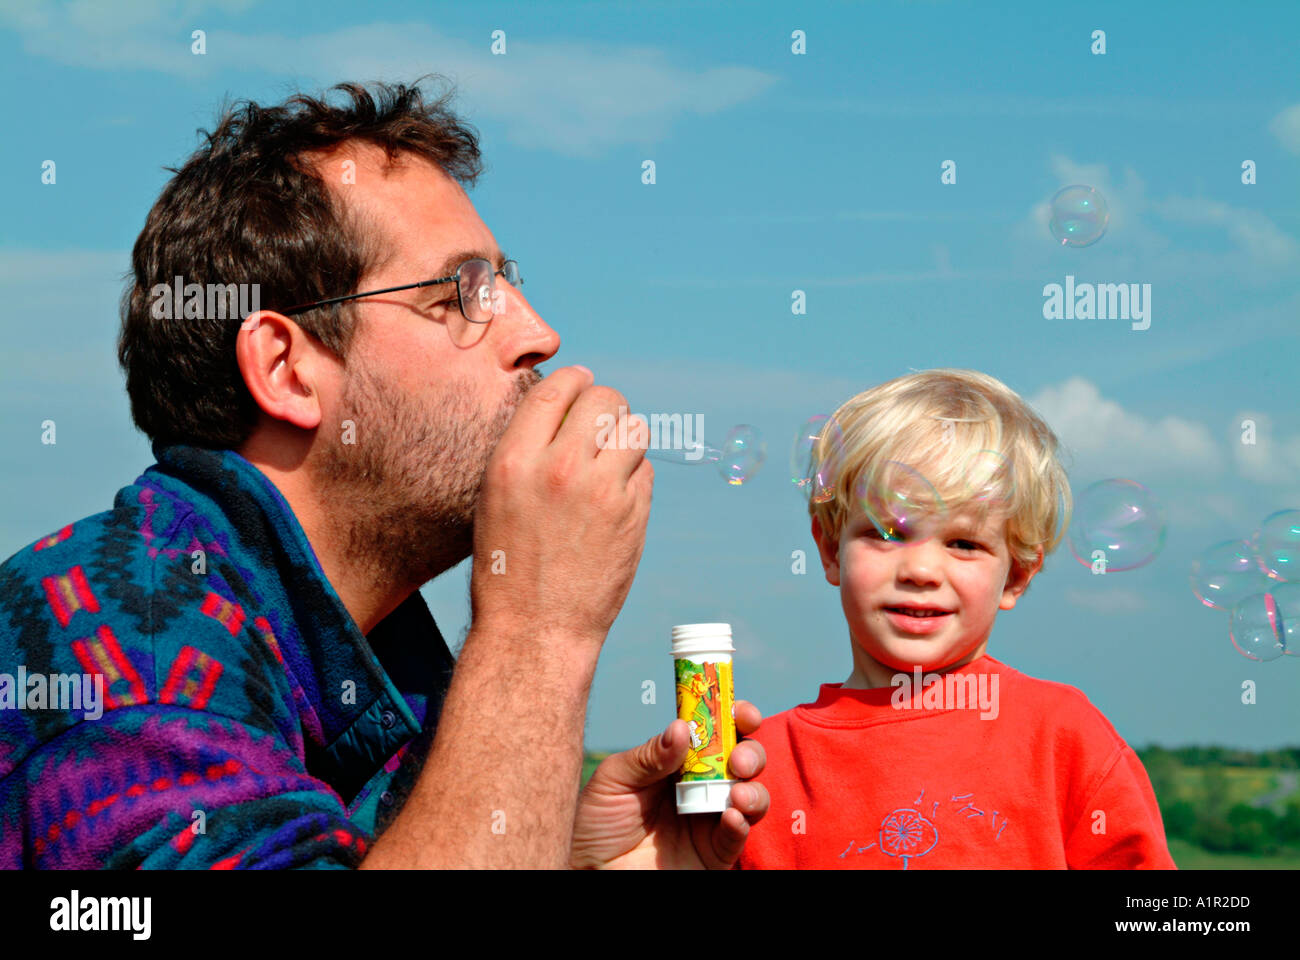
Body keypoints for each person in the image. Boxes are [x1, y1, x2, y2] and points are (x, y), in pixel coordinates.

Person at [0, 77, 768, 869]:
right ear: (287, 370)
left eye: (509, 285)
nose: (539, 335)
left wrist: (576, 861)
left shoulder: (348, 648)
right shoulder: (137, 656)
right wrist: (540, 633)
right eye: (462, 294)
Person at [737, 369, 1175, 869]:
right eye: (887, 533)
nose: (921, 570)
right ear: (830, 549)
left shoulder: (1062, 737)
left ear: (1016, 577)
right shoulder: (760, 767)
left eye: (964, 543)